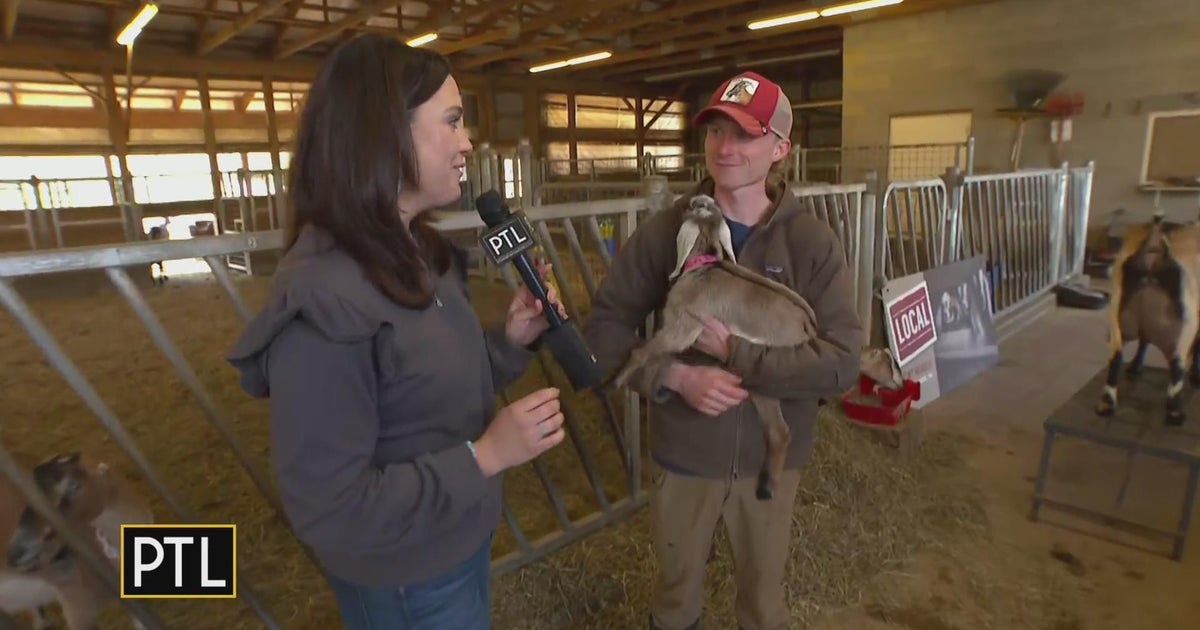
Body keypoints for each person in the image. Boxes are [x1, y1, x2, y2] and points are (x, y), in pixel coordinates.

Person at [225, 34, 569, 630]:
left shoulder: (421, 253)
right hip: (406, 579)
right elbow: (331, 506)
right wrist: (484, 458)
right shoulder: (322, 301)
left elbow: (433, 389)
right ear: (383, 133)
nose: (468, 142)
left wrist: (511, 341)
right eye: (453, 122)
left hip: (455, 541)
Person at [583, 71, 864, 630]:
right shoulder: (669, 233)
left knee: (762, 602)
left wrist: (738, 354)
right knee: (674, 596)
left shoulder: (810, 243)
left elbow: (842, 363)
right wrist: (674, 379)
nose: (724, 147)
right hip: (686, 454)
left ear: (781, 148)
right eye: (715, 131)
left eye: (744, 135)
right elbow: (606, 328)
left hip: (770, 464)